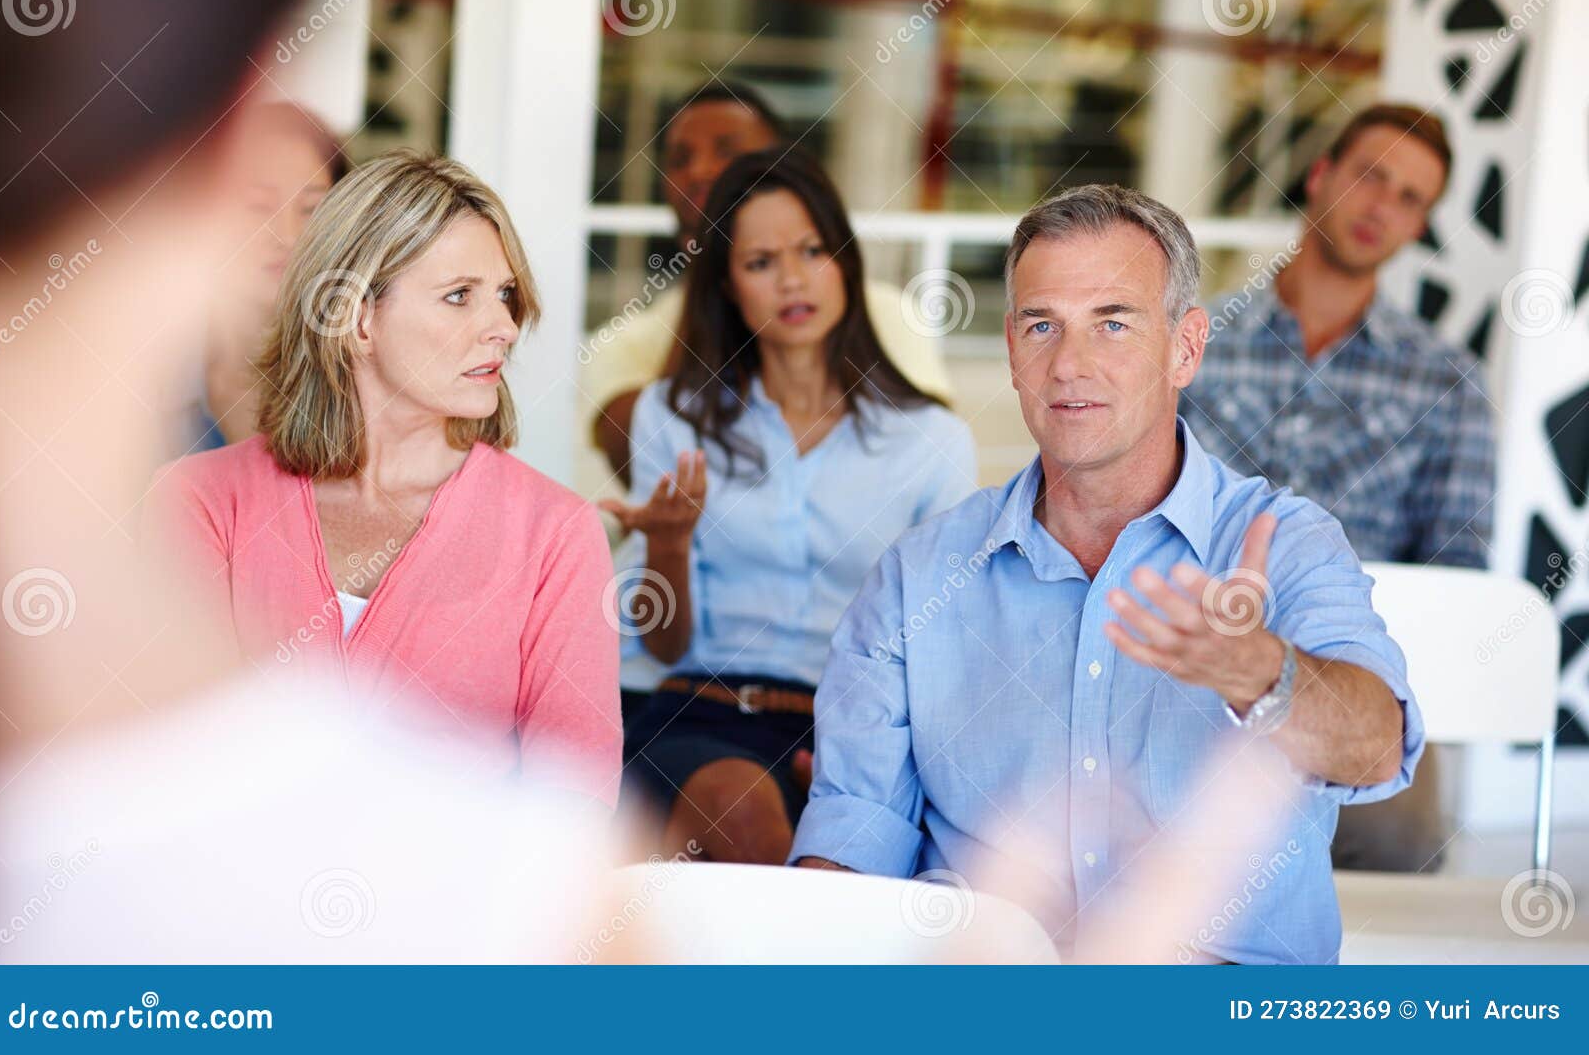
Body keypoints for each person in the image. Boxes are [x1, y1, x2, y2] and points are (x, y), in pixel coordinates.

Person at [790, 185, 1424, 965]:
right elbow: (852, 843)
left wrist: (1262, 673)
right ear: (1012, 353)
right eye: (1041, 325)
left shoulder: (1285, 544)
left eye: (1113, 323)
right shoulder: (916, 579)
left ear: (1185, 349)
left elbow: (1377, 749)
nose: (1071, 365)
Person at [148, 152, 621, 798]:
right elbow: (150, 762)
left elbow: (577, 805)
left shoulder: (555, 533)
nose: (505, 327)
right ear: (356, 317)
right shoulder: (199, 500)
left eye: (505, 295)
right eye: (460, 296)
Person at [602, 147, 977, 864]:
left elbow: (943, 645)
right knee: (742, 810)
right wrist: (670, 544)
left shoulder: (931, 440)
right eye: (761, 262)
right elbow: (665, 645)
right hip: (697, 715)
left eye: (813, 250)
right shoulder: (671, 417)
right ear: (727, 286)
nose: (794, 279)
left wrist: (869, 757)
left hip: (854, 733)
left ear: (847, 262)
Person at [1182, 103, 1495, 873]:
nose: (1382, 206)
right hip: (1190, 666)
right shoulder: (1194, 340)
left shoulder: (1446, 381)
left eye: (1410, 197)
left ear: (1419, 226)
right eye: (1370, 176)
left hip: (1355, 684)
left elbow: (1457, 575)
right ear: (1321, 176)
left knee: (1402, 839)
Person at [583, 80, 953, 484]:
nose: (700, 171)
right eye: (680, 159)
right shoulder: (623, 340)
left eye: (729, 153)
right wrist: (709, 277)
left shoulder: (889, 312)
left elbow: (922, 458)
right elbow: (647, 470)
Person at [189, 99, 348, 452]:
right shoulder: (133, 382)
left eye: (311, 209)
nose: (288, 236)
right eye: (259, 206)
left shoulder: (356, 394)